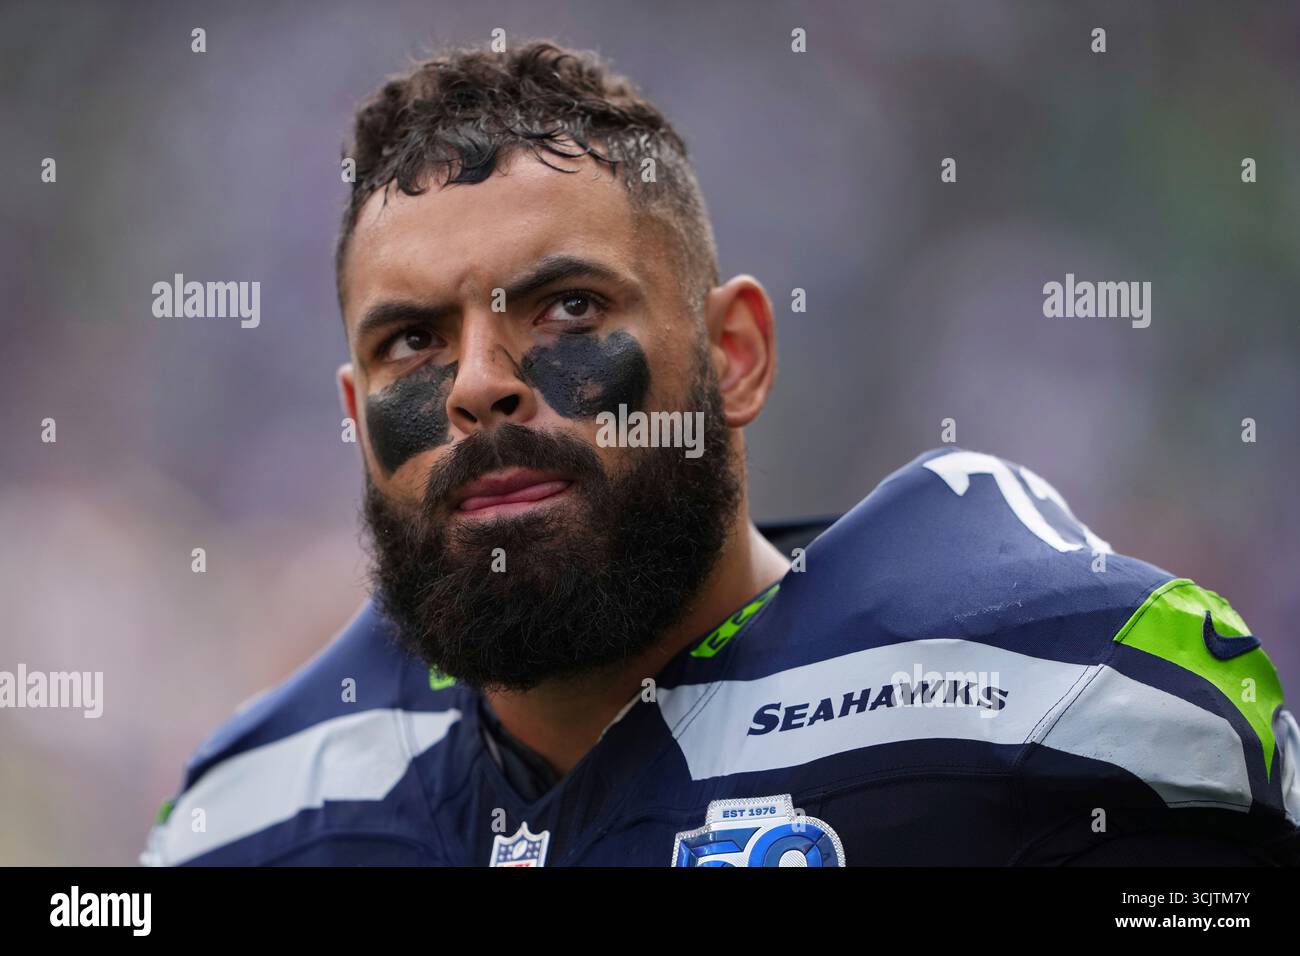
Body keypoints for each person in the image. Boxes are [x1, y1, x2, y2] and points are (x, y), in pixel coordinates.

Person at [143, 40, 1299, 867]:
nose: (480, 381)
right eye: (412, 340)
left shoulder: (1049, 709)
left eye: (564, 310)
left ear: (733, 354)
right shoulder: (254, 816)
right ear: (355, 417)